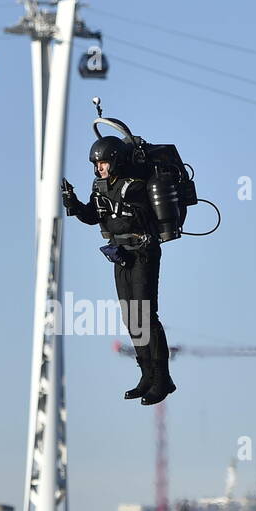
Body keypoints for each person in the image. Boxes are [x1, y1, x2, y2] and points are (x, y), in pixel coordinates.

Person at [62, 135, 175, 405]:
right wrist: (74, 204)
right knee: (130, 318)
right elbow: (94, 216)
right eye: (97, 164)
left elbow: (135, 215)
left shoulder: (134, 185)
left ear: (115, 161)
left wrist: (113, 208)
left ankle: (163, 379)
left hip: (143, 252)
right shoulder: (100, 186)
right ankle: (147, 375)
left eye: (103, 162)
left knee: (146, 316)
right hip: (120, 254)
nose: (99, 168)